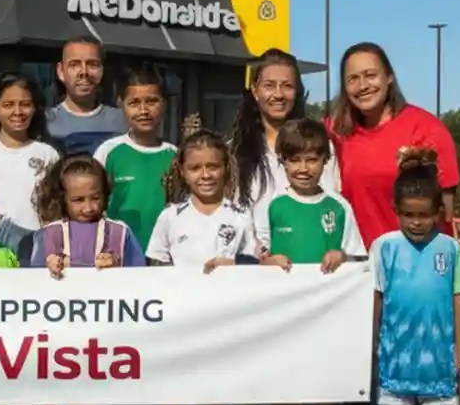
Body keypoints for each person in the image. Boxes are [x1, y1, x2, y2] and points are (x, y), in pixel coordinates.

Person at [329, 42, 460, 248]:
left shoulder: (426, 129)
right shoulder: (331, 131)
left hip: (415, 261)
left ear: (389, 77)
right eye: (353, 79)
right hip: (355, 267)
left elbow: (446, 212)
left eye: (370, 75)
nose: (362, 85)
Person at [370, 148, 460, 405]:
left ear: (438, 212)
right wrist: (371, 343)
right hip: (395, 359)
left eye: (424, 216)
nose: (416, 222)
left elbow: (459, 299)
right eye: (408, 215)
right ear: (396, 211)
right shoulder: (384, 247)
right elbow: (376, 297)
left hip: (439, 361)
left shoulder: (451, 248)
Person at [229, 48, 340, 236]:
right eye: (269, 85)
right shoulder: (234, 150)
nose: (278, 95)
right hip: (252, 260)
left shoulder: (320, 146)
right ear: (255, 91)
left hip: (306, 255)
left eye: (287, 86)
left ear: (297, 92)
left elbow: (331, 203)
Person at [0, 72, 59, 262]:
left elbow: (55, 206)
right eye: (8, 105)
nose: (17, 112)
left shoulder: (47, 154)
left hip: (38, 245)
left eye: (25, 104)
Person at [256, 118, 366, 272]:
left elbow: (358, 259)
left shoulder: (339, 206)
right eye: (295, 160)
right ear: (283, 162)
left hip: (327, 293)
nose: (303, 168)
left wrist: (342, 256)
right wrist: (269, 262)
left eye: (312, 160)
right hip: (283, 292)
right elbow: (256, 258)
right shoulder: (272, 204)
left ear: (325, 159)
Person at [146, 129, 257, 272]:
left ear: (226, 168)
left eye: (213, 167)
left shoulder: (241, 216)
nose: (205, 175)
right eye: (195, 168)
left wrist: (233, 264)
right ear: (182, 171)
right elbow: (155, 264)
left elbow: (253, 265)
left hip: (228, 292)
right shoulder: (170, 216)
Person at [93, 64, 178, 250]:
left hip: (163, 255)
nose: (143, 110)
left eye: (152, 101)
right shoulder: (108, 152)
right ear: (120, 103)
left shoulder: (175, 156)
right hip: (118, 254)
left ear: (164, 104)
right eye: (134, 102)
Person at [28, 155, 146, 276]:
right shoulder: (49, 234)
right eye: (78, 200)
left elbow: (139, 275)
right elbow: (35, 279)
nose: (89, 208)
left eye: (96, 198)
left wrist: (115, 265)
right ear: (62, 199)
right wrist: (50, 265)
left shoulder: (121, 233)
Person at [45, 36, 127, 157]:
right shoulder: (44, 120)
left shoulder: (124, 120)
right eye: (74, 65)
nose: (84, 72)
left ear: (102, 70)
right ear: (61, 71)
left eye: (92, 64)